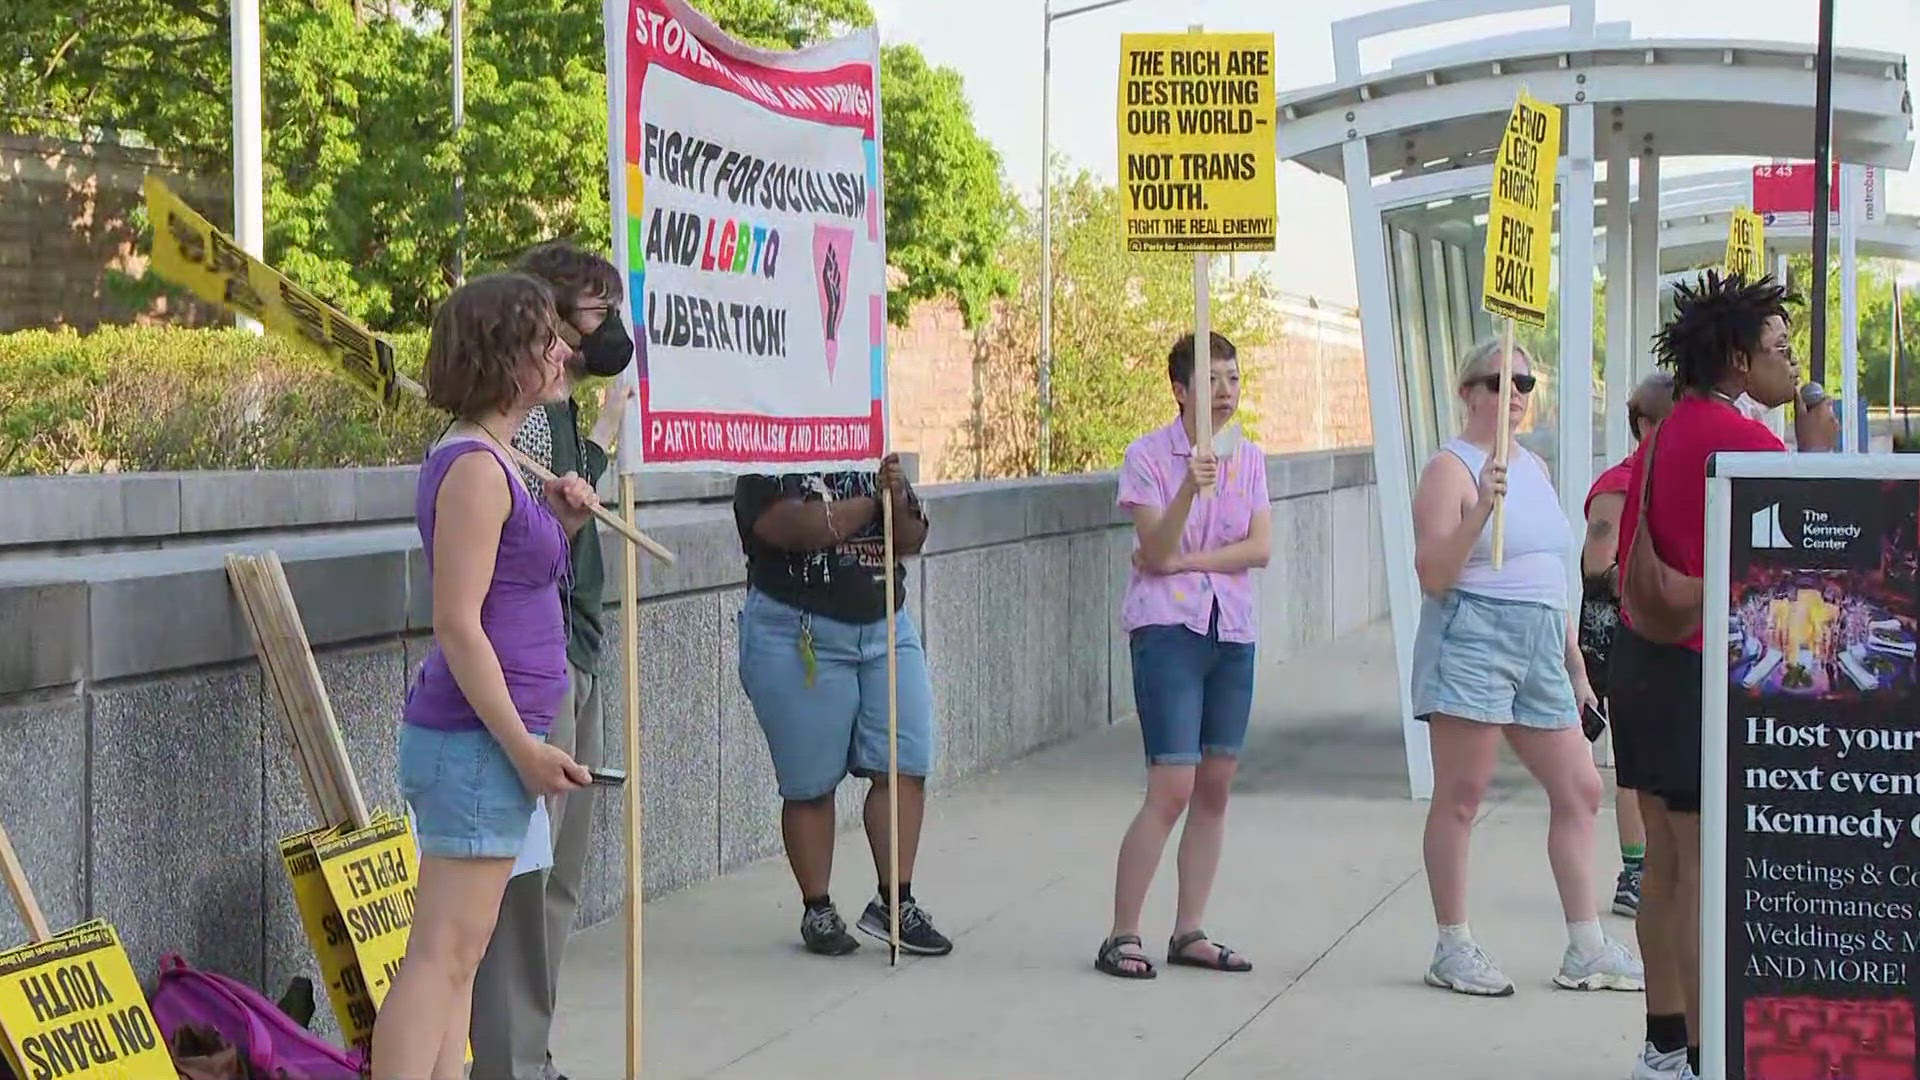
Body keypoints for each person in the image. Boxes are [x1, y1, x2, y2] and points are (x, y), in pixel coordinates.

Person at [373, 273, 598, 1080]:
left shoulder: (499, 457)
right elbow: (459, 625)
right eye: (545, 339)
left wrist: (564, 525)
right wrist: (524, 751)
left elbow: (515, 584)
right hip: (477, 743)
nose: (563, 351)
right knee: (439, 956)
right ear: (507, 359)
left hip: (495, 742)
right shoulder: (474, 465)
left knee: (462, 960)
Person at [1609, 272, 1803, 1080]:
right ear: (1736, 359)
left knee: (1662, 857)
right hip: (1694, 670)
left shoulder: (1663, 434)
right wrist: (1816, 442)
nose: (1793, 368)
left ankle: (1663, 1044)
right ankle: (1703, 1050)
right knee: (1697, 865)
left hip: (1642, 663)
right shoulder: (1747, 442)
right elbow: (1813, 543)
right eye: (1780, 352)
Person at [1409, 338, 1643, 998]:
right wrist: (1482, 504)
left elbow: (1547, 575)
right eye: (1497, 380)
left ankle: (1587, 946)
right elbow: (1432, 574)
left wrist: (1574, 667)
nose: (1513, 393)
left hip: (1540, 638)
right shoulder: (1449, 471)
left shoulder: (1533, 467)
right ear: (1467, 392)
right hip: (1473, 632)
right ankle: (1452, 943)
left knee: (1580, 788)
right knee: (1462, 793)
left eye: (1522, 383)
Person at [469, 241, 635, 1080]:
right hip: (542, 660)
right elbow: (529, 536)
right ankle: (508, 1060)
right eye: (599, 311)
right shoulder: (519, 424)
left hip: (582, 647)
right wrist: (597, 446)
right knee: (524, 885)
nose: (605, 333)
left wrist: (600, 440)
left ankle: (531, 1051)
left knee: (560, 878)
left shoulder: (562, 413)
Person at [1095, 331, 1270, 980]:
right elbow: (1155, 548)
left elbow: (1259, 549)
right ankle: (1122, 932)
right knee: (1172, 784)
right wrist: (1188, 492)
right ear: (1180, 390)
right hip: (1168, 630)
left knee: (1217, 785)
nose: (1226, 392)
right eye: (1213, 380)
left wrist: (1187, 560)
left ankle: (1189, 927)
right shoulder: (1146, 458)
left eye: (1234, 378)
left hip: (1232, 631)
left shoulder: (1249, 458)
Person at [733, 453, 951, 957]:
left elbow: (913, 538)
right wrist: (873, 502)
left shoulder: (868, 443)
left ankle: (896, 902)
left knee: (904, 761)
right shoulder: (766, 454)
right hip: (799, 630)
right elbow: (794, 528)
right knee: (811, 782)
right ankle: (818, 909)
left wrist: (895, 497)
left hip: (884, 626)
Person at [1579, 372, 1676, 920]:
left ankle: (1656, 868)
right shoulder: (1619, 484)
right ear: (1645, 424)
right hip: (1620, 640)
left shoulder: (1675, 477)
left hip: (1658, 635)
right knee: (1633, 764)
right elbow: (1598, 567)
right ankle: (1634, 874)